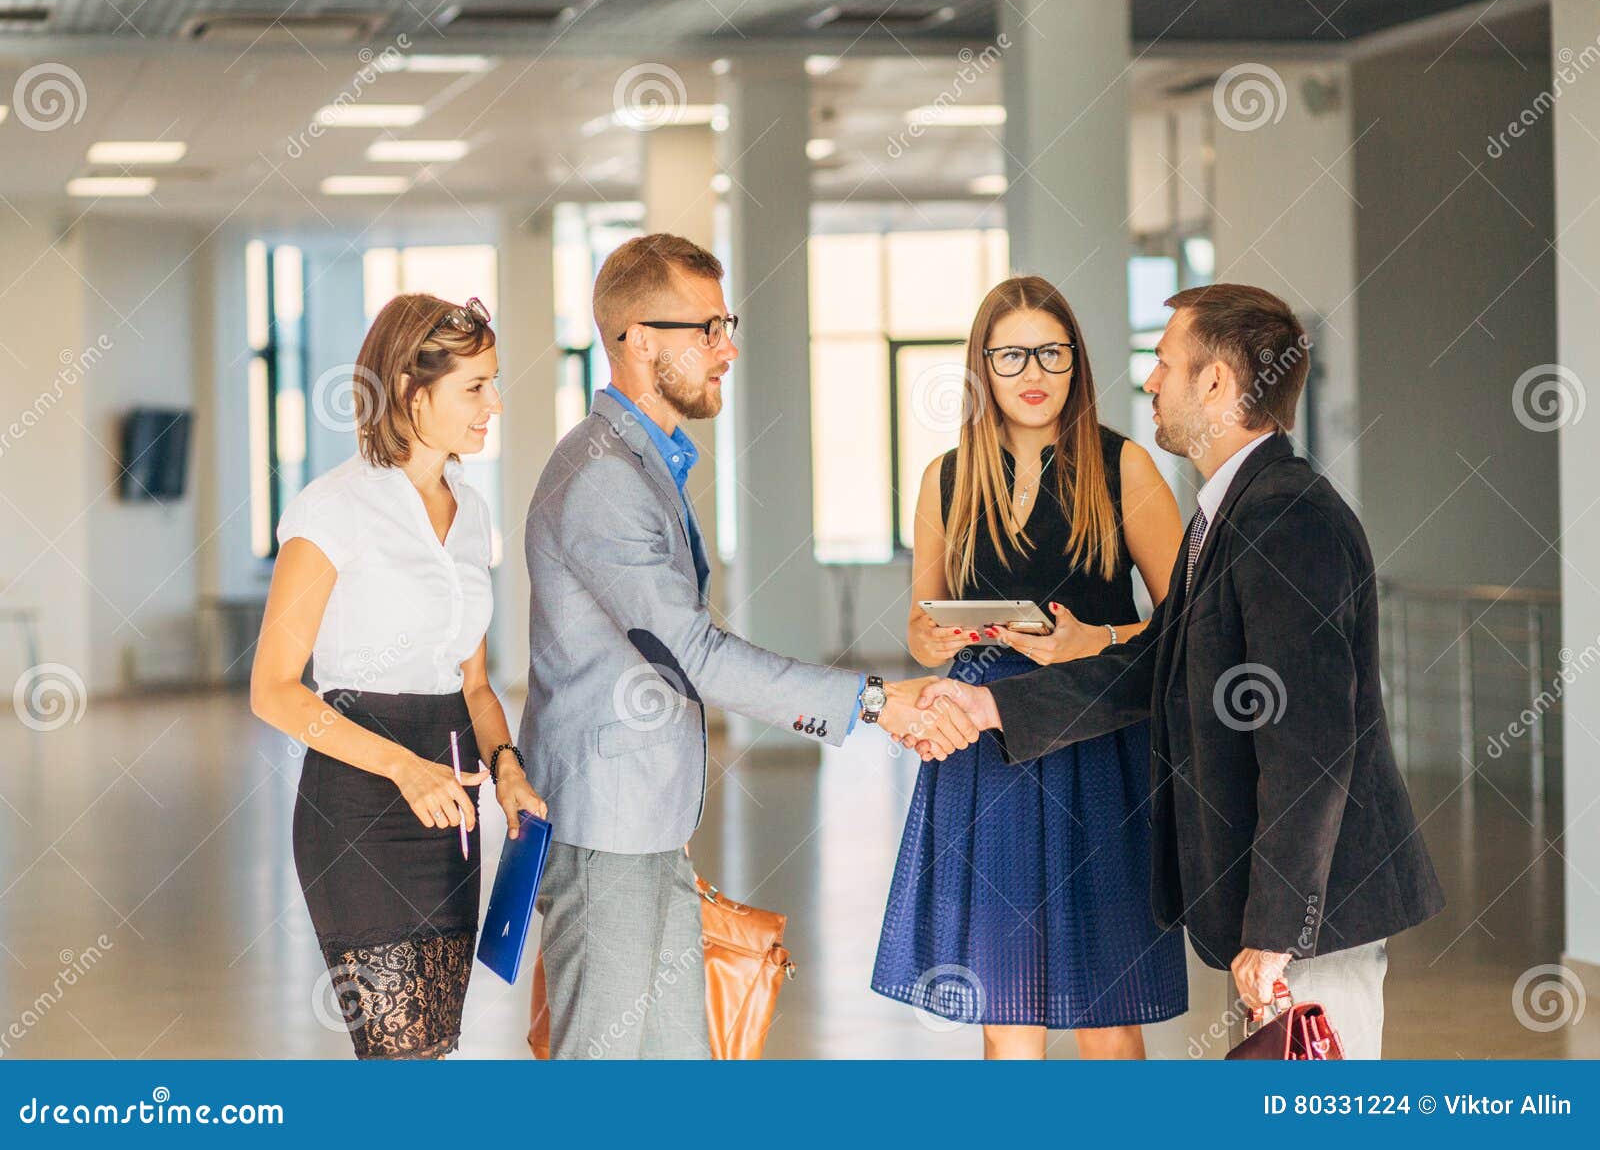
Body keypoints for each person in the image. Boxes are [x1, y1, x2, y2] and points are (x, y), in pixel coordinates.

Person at [917, 283, 1445, 1059]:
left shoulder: (1285, 516)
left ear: (1218, 385)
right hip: (1289, 909)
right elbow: (1153, 664)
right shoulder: (1227, 513)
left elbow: (1312, 747)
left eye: (1164, 363)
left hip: (1318, 913)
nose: (1150, 381)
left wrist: (1273, 930)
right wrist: (994, 707)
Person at [519, 233, 972, 1060]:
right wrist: (875, 701)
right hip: (606, 834)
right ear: (638, 339)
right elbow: (691, 651)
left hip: (646, 827)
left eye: (728, 323)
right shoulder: (601, 479)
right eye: (706, 328)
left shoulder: (643, 462)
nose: (727, 347)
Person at [872, 276, 1189, 1059]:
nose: (1034, 371)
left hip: (1097, 741)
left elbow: (1194, 626)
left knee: (1104, 1010)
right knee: (1005, 1011)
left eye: (1051, 351)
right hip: (986, 756)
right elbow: (919, 624)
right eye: (1011, 355)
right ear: (982, 367)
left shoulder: (1124, 468)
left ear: (1077, 361)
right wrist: (935, 637)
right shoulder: (945, 480)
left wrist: (1096, 638)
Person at [251, 294, 547, 1059]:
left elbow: (475, 685)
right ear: (414, 396)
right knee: (400, 1060)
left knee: (435, 1049)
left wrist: (507, 768)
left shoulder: (473, 511)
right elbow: (274, 687)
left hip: (453, 810)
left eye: (494, 381)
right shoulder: (332, 509)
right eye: (475, 387)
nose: (495, 403)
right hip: (359, 812)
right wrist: (403, 769)